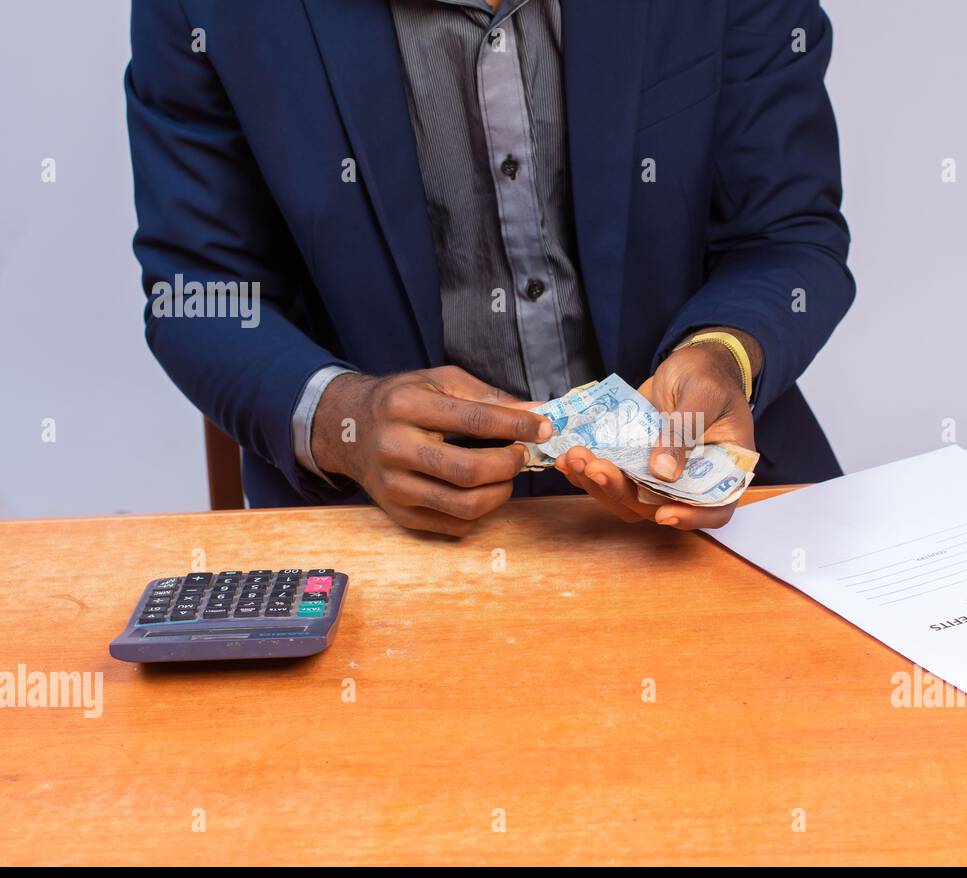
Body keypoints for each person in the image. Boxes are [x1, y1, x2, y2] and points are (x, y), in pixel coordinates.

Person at [127, 0, 854, 534]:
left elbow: (788, 236)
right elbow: (201, 294)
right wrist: (340, 419)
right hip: (378, 531)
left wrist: (723, 353)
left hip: (708, 523)